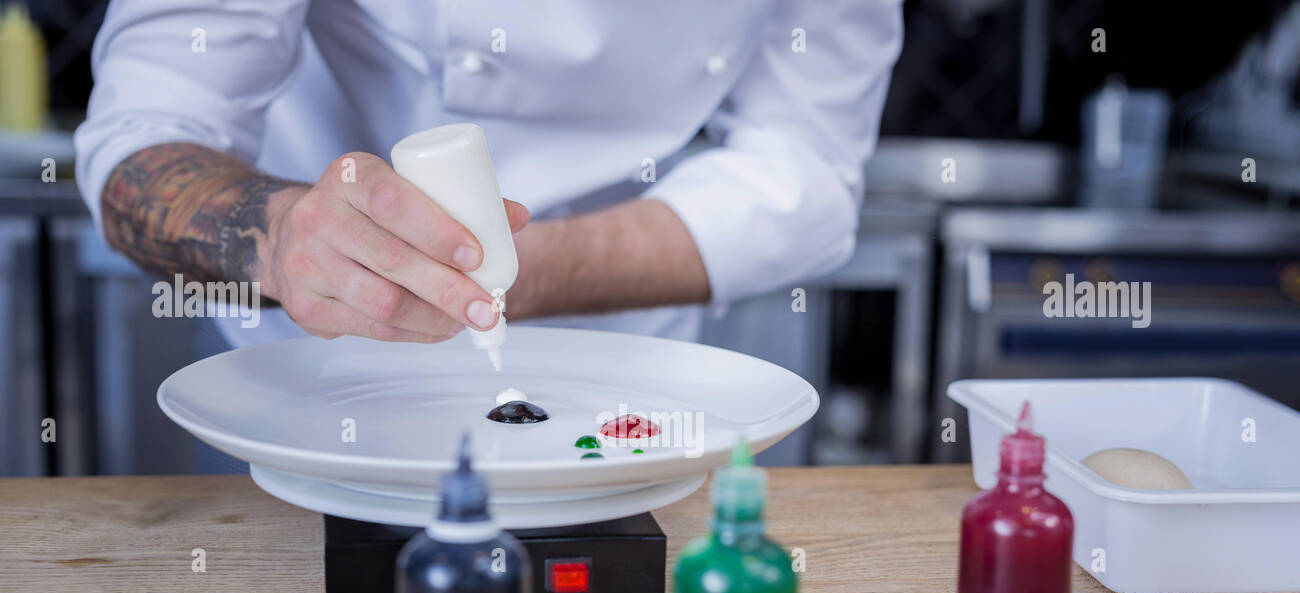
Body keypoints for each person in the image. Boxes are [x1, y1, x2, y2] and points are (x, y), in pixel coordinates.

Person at [75, 1, 902, 350]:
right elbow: (147, 135)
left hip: (617, 372)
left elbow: (805, 168)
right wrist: (284, 236)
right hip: (308, 366)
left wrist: (505, 275)